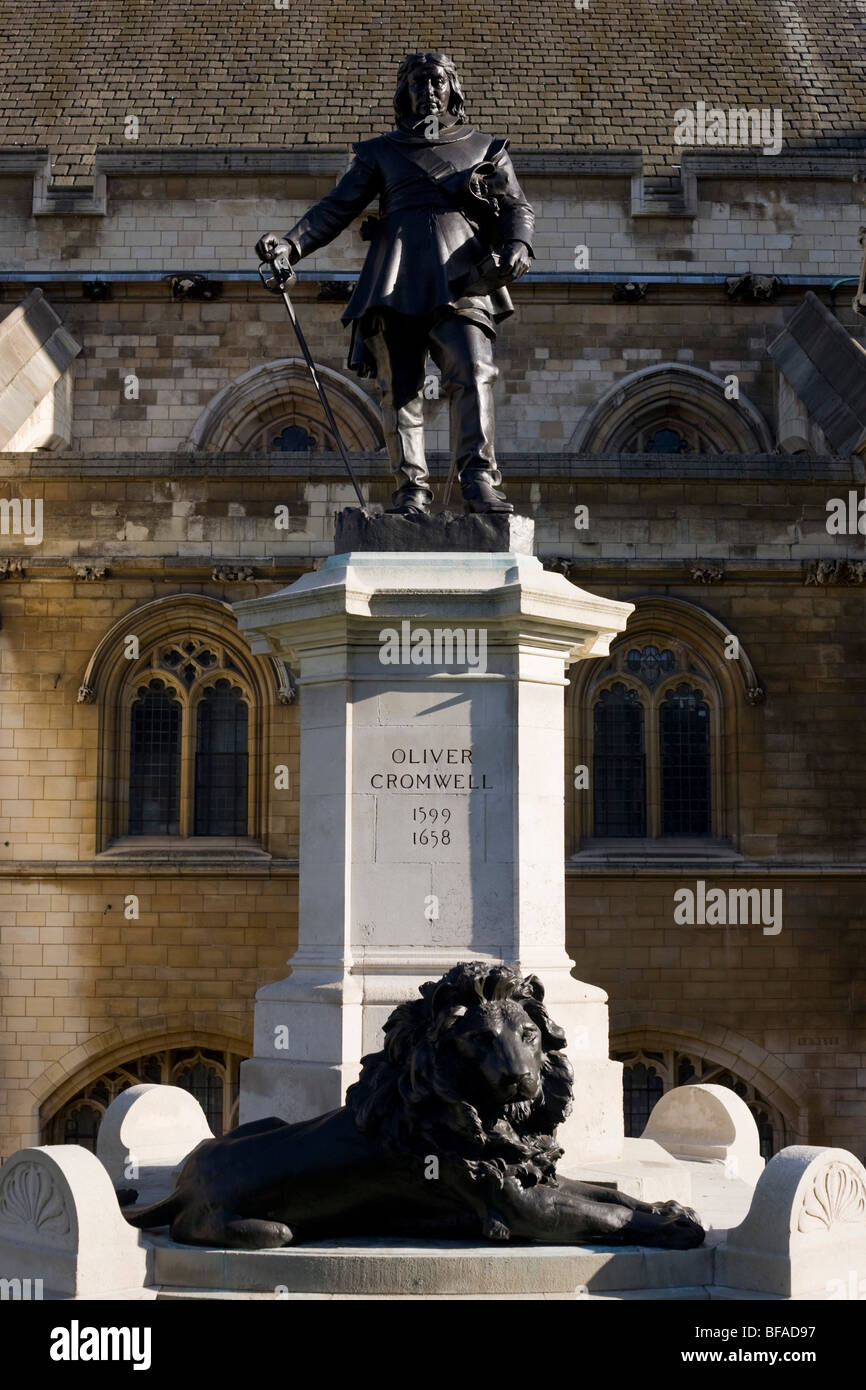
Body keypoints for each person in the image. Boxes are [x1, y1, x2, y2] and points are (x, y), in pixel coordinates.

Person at [255, 51, 534, 516]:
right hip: (396, 274)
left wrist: (519, 246)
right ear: (405, 92)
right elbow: (336, 208)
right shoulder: (380, 152)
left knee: (473, 370)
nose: (428, 90)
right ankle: (411, 493)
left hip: (461, 271)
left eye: (437, 81)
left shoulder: (485, 148)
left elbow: (517, 207)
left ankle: (480, 481)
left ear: (452, 89)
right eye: (418, 82)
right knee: (400, 388)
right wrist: (290, 244)